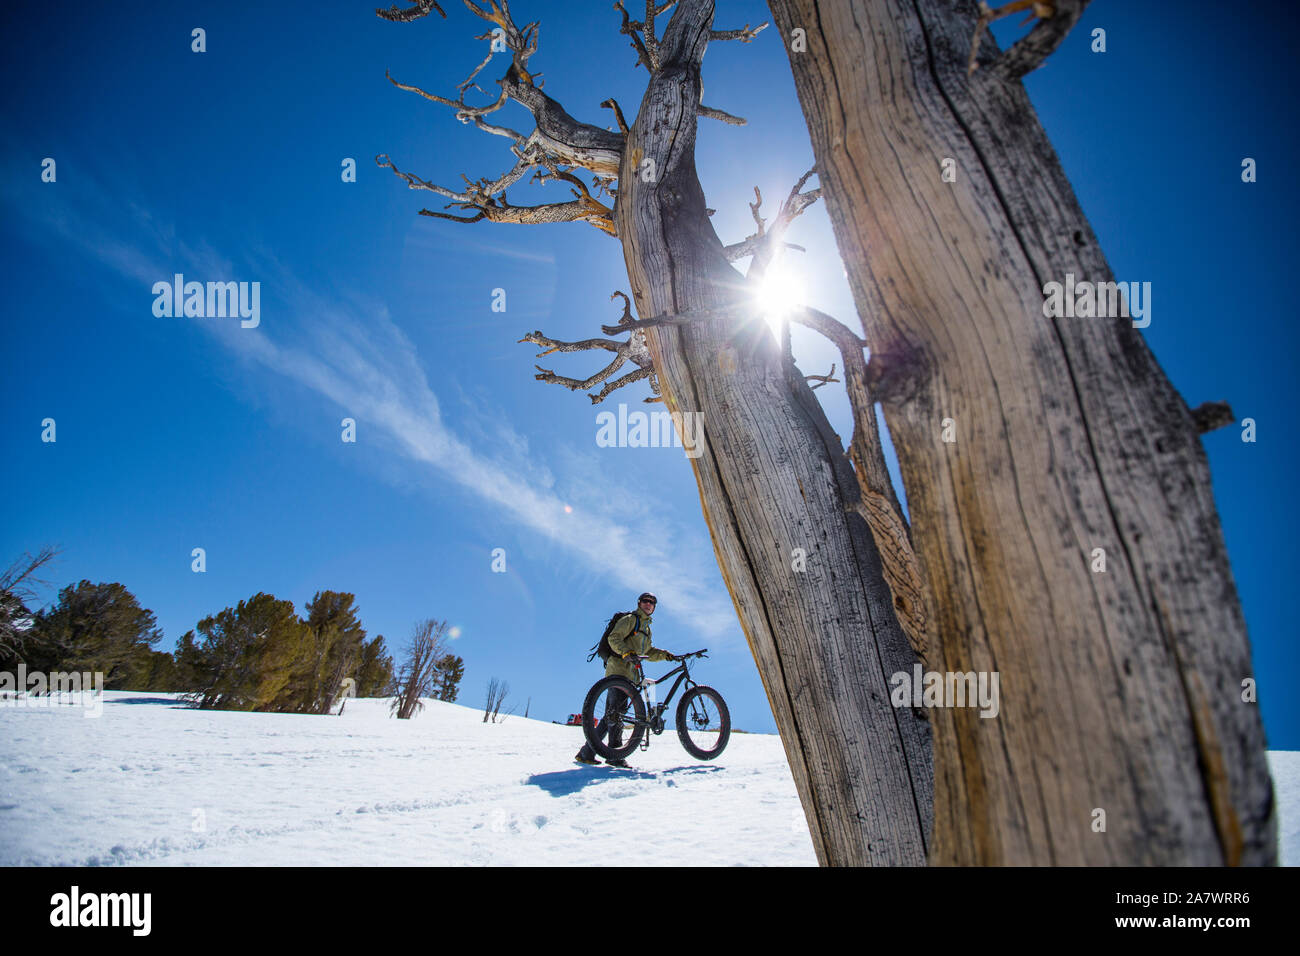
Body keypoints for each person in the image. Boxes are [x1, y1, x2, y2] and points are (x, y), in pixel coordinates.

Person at [575, 592, 678, 768]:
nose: (648, 604)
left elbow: (649, 652)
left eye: (652, 602)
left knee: (613, 713)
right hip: (619, 670)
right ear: (639, 603)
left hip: (631, 675)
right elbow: (613, 638)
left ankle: (587, 752)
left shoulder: (646, 628)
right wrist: (626, 652)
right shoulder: (631, 619)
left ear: (654, 607)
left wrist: (665, 655)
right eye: (645, 601)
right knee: (616, 714)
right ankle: (615, 754)